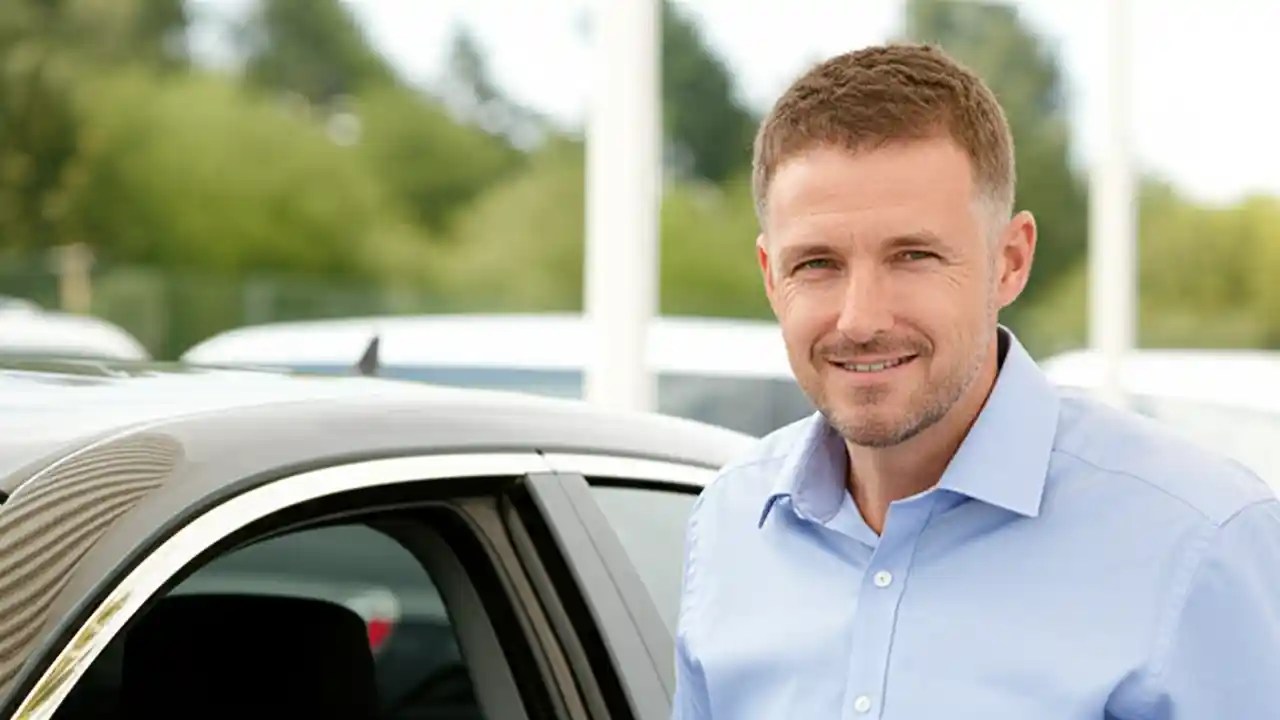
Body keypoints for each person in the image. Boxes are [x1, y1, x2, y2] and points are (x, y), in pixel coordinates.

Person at [671, 43, 1280, 719]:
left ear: (1010, 261)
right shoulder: (731, 524)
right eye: (817, 264)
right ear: (769, 275)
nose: (861, 318)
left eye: (914, 256)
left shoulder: (1203, 542)